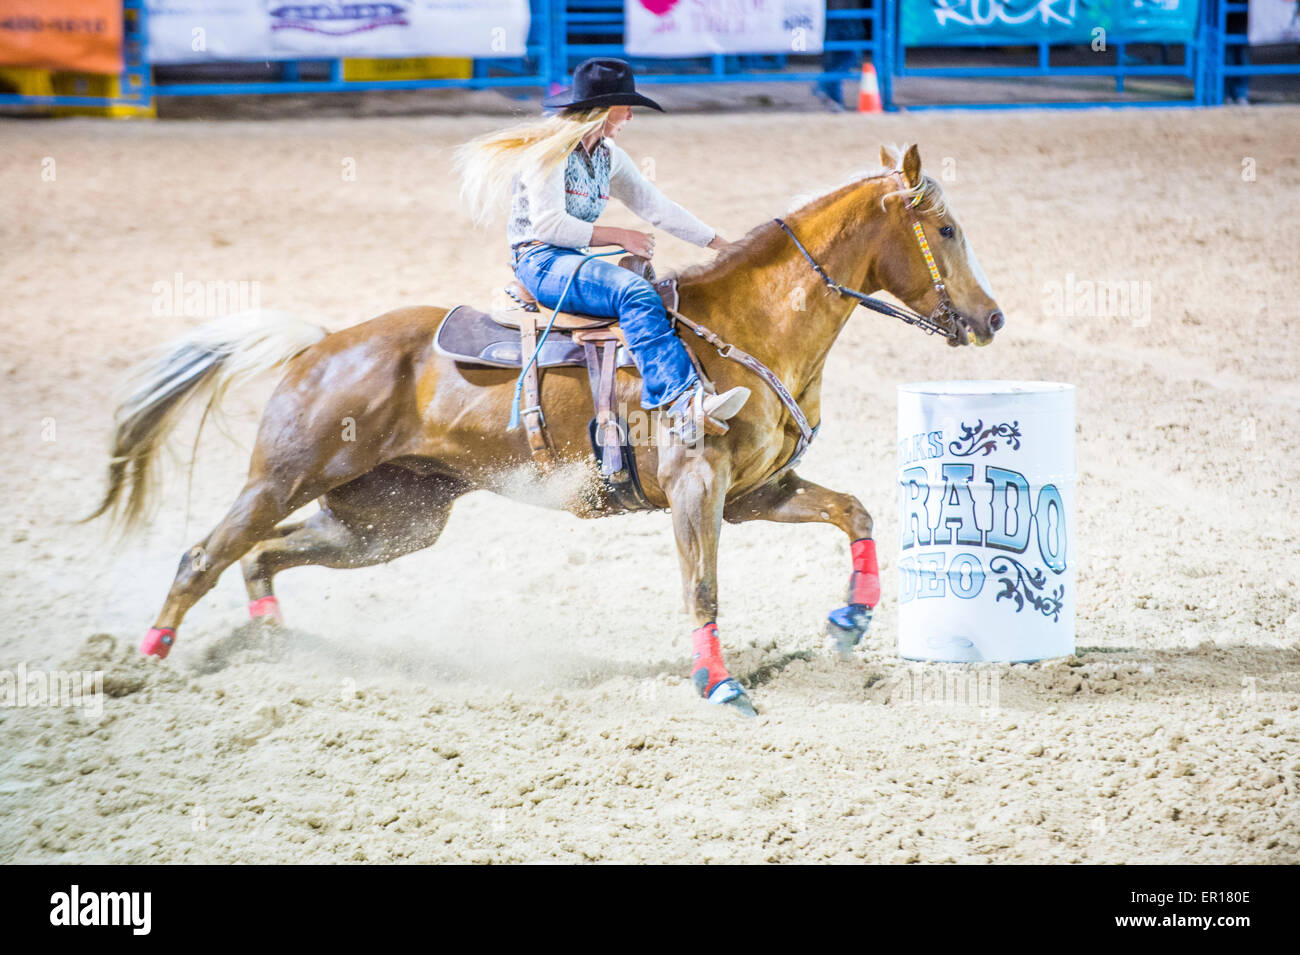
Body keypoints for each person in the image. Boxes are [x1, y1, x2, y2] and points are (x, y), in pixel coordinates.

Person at [454, 57, 750, 443]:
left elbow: (656, 207)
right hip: (539, 260)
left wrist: (721, 244)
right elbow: (548, 226)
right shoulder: (548, 154)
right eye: (625, 107)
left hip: (567, 260)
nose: (629, 115)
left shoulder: (608, 155)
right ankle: (680, 402)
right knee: (634, 292)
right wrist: (618, 235)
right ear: (605, 109)